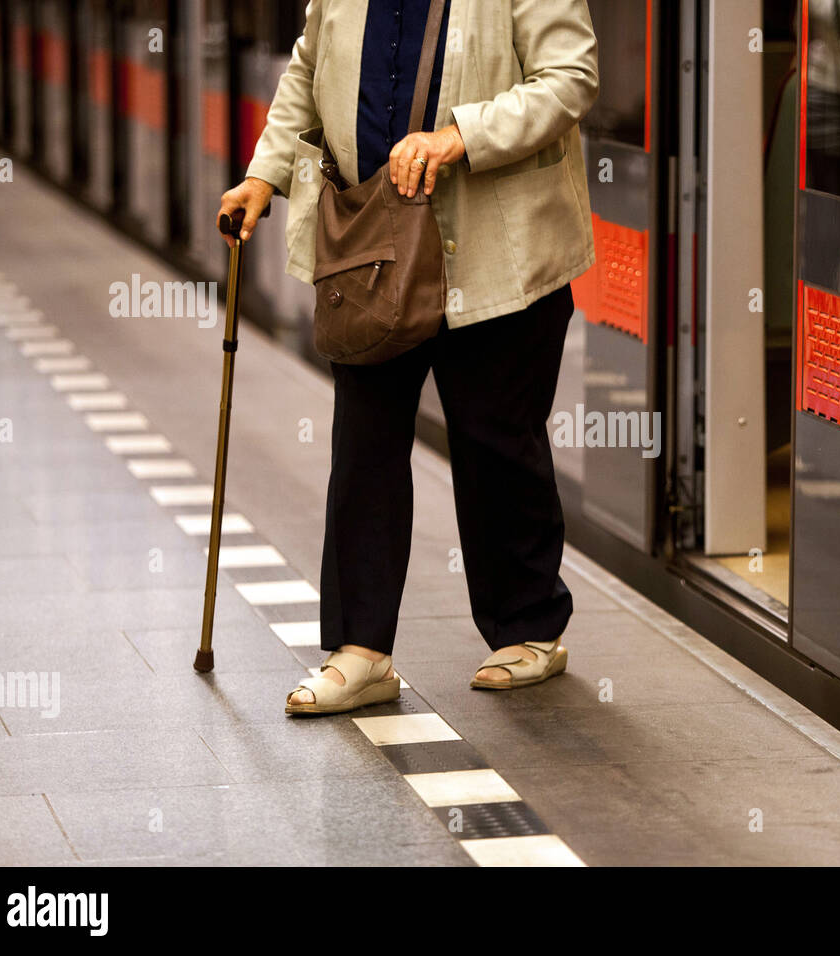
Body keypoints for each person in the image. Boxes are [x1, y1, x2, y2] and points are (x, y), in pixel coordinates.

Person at [217, 0, 599, 714]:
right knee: (364, 441)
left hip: (498, 251)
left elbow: (568, 79)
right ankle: (360, 651)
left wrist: (460, 136)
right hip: (370, 248)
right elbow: (307, 69)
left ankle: (529, 628)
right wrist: (262, 176)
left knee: (496, 441)